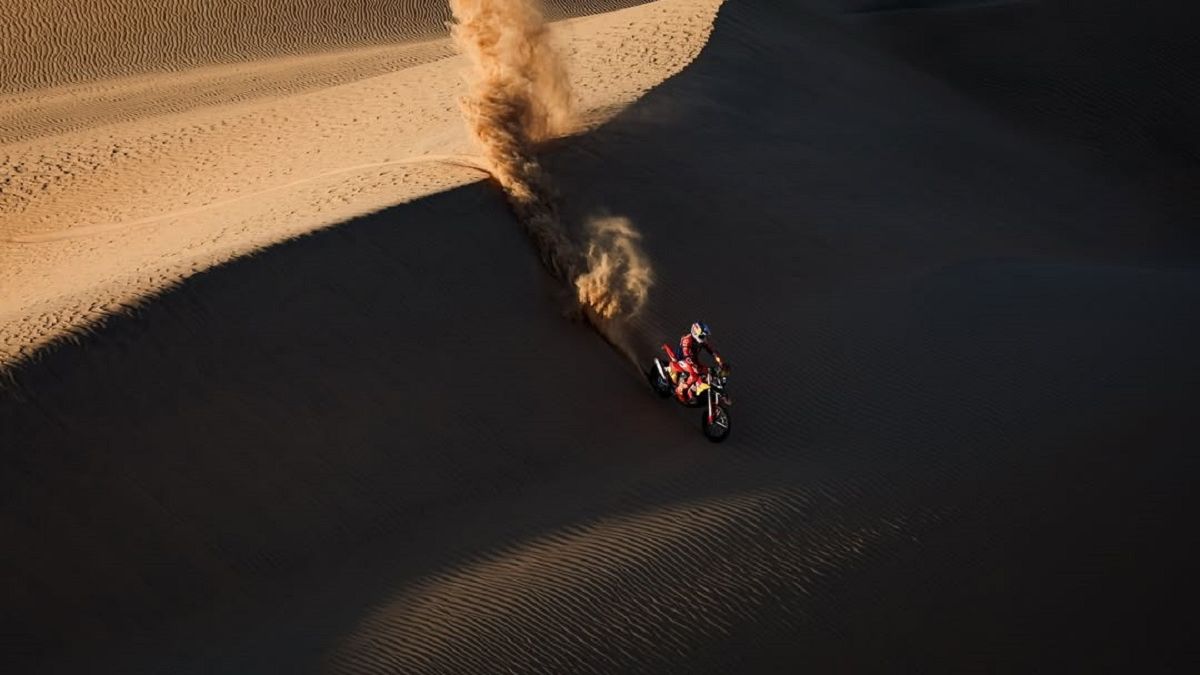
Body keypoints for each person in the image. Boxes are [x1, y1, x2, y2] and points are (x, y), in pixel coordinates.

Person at [673, 321, 724, 403]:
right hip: (681, 359)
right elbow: (686, 354)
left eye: (704, 336)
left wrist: (718, 358)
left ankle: (695, 389)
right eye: (702, 336)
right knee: (694, 375)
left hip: (693, 361)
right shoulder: (687, 339)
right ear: (695, 333)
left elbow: (710, 350)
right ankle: (680, 390)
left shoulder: (701, 341)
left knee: (708, 372)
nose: (704, 338)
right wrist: (693, 365)